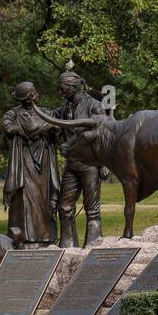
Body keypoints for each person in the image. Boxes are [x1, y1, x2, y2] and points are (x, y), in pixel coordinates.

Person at [49, 71, 105, 247]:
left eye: (63, 88)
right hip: (72, 165)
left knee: (92, 210)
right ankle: (67, 248)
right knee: (64, 208)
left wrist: (103, 163)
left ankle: (93, 246)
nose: (61, 92)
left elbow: (102, 133)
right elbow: (50, 119)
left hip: (90, 164)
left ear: (73, 87)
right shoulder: (65, 107)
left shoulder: (94, 106)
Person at [2, 81, 60, 244]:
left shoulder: (46, 112)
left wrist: (53, 129)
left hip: (45, 159)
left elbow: (56, 134)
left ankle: (46, 238)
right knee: (25, 199)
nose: (37, 95)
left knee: (44, 198)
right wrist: (45, 126)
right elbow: (11, 129)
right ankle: (24, 238)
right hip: (24, 160)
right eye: (34, 93)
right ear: (27, 98)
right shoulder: (12, 114)